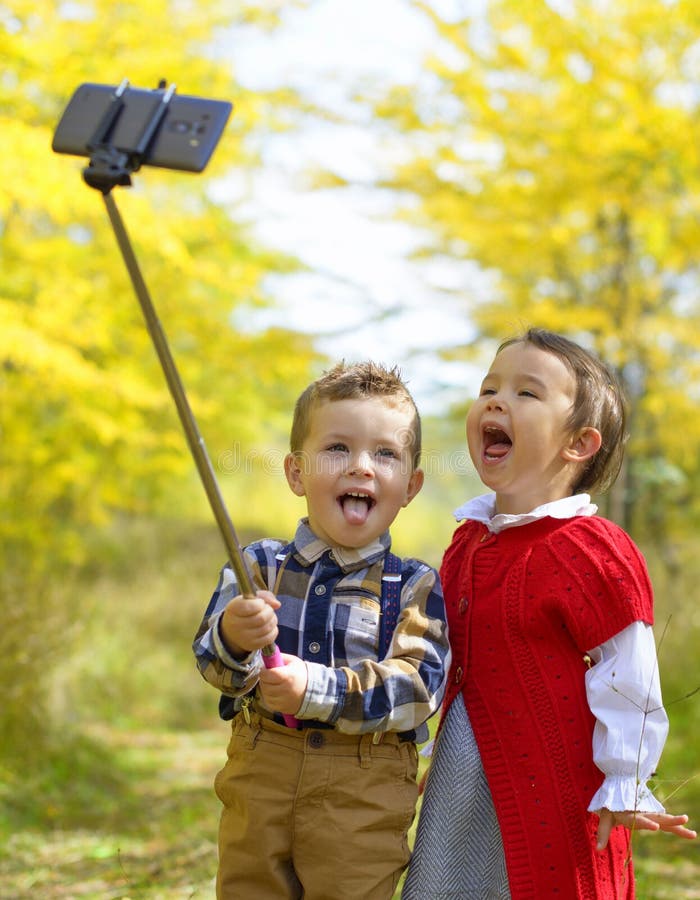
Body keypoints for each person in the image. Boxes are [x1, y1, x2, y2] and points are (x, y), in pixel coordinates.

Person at [403, 328, 696, 899]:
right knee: (451, 880)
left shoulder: (591, 548)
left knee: (547, 880)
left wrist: (625, 779)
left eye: (525, 394)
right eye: (490, 387)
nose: (495, 400)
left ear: (579, 444)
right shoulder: (467, 540)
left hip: (551, 779)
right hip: (467, 765)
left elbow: (628, 672)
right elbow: (454, 663)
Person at [193, 360, 450, 900]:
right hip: (263, 768)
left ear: (411, 485)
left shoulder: (414, 585)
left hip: (364, 787)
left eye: (385, 453)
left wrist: (316, 688)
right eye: (337, 448)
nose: (361, 467)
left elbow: (418, 688)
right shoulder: (258, 567)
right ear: (295, 473)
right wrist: (236, 637)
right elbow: (211, 663)